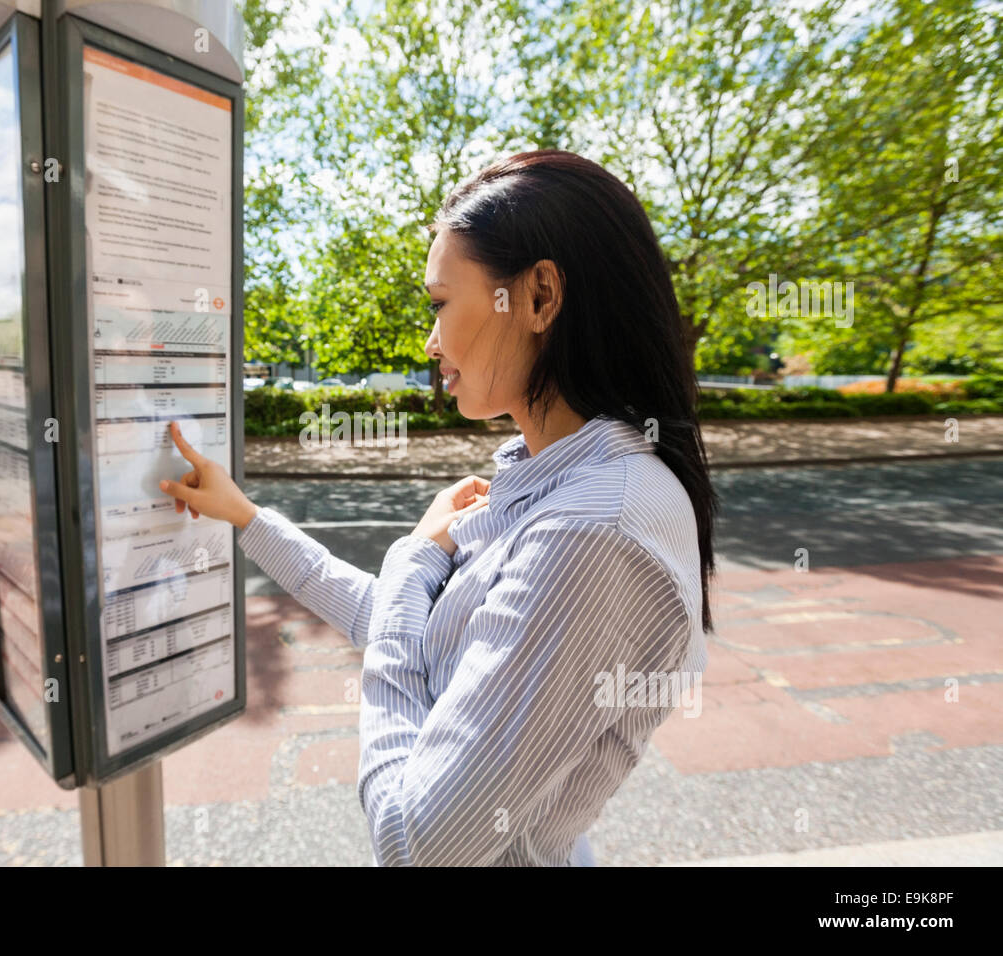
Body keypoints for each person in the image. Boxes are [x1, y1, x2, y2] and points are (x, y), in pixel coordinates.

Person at [158, 148, 718, 866]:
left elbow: (415, 845)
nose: (430, 343)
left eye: (440, 303)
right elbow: (417, 639)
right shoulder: (564, 486)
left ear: (539, 298)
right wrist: (247, 519)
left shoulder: (592, 531)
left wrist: (415, 556)